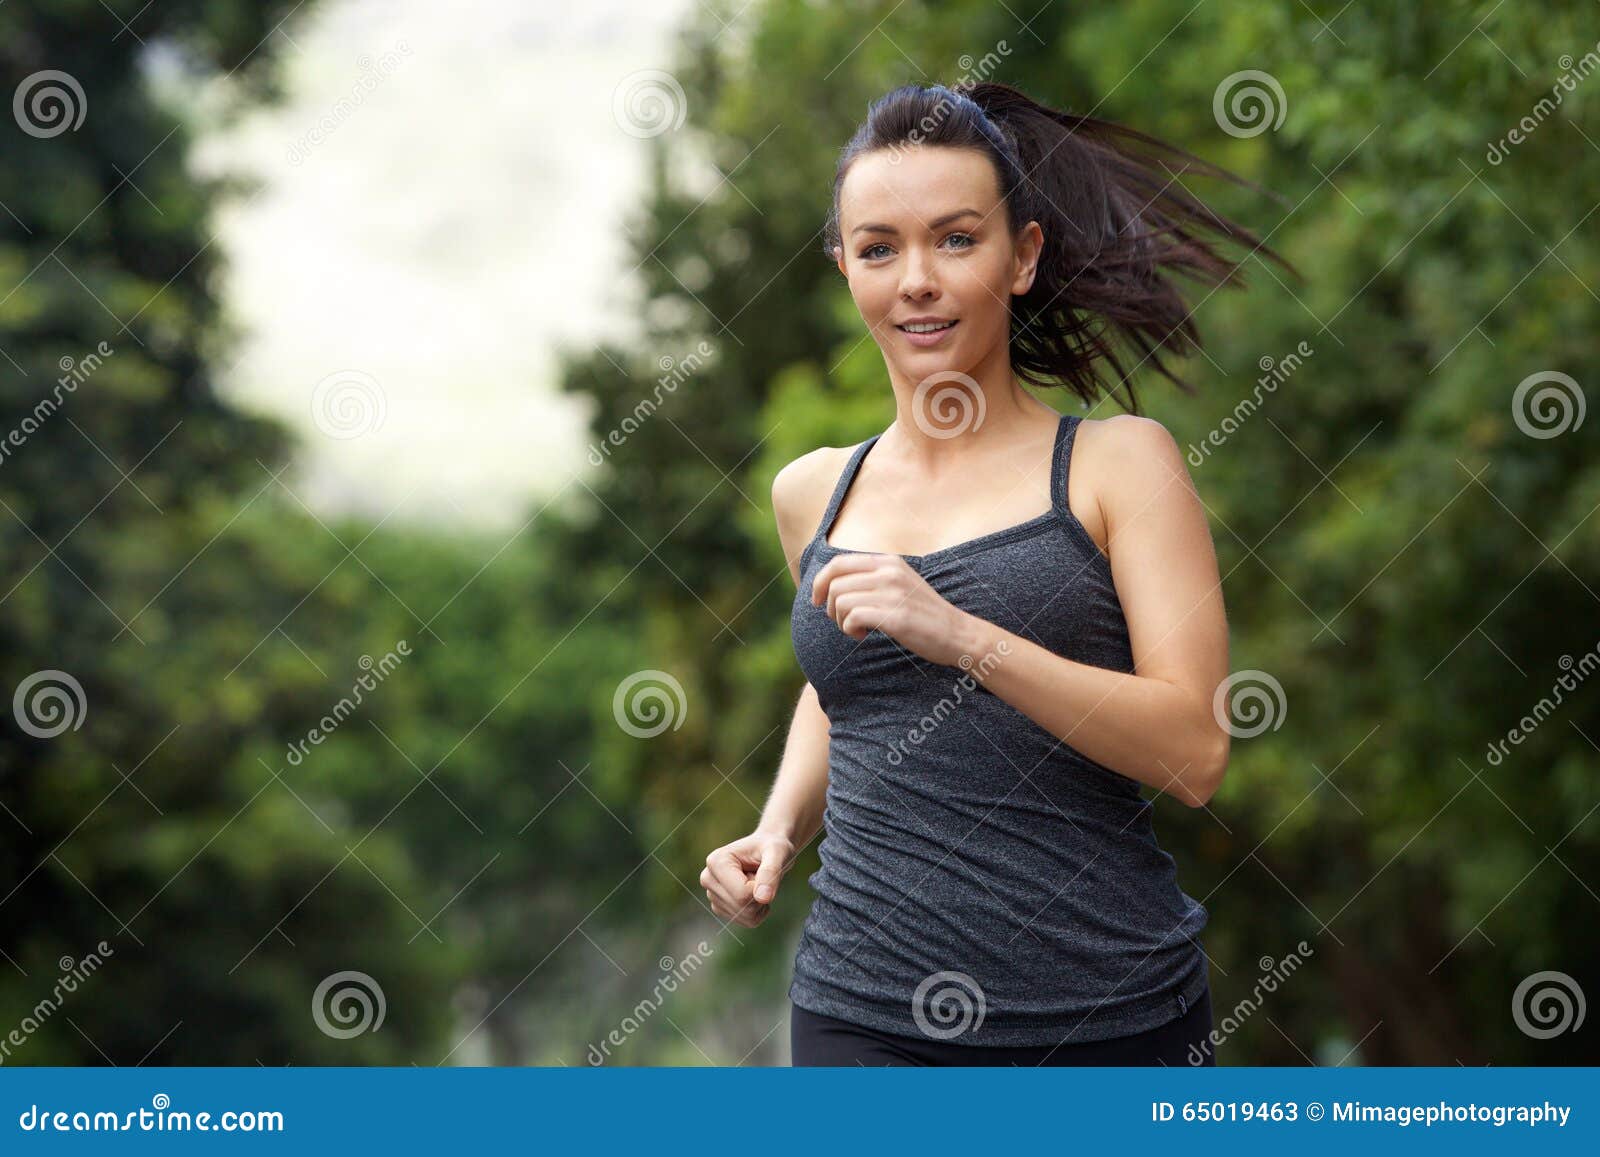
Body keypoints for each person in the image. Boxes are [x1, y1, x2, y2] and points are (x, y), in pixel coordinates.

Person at [700, 81, 1297, 1066]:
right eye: (880, 247)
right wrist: (776, 829)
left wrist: (962, 633)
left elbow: (1193, 751)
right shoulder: (813, 493)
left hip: (1106, 1018)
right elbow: (843, 682)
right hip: (859, 1010)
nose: (916, 279)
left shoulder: (1118, 466)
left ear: (1021, 257)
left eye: (956, 239)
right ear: (844, 264)